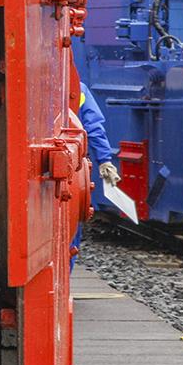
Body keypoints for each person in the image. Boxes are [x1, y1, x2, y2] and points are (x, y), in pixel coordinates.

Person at [70, 86, 119, 267]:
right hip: (71, 170)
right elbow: (92, 125)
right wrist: (104, 159)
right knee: (70, 230)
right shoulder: (77, 88)